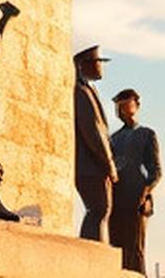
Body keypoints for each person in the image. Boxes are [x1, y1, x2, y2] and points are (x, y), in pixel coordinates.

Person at [107, 88, 162, 273]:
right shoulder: (113, 139)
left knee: (135, 248)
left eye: (126, 102)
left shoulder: (147, 134)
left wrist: (145, 194)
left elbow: (156, 171)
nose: (122, 108)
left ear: (136, 105)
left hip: (137, 199)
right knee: (117, 249)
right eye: (118, 105)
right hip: (116, 199)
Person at [73, 45, 115, 243]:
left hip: (94, 165)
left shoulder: (88, 90)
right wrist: (108, 163)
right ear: (84, 66)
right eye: (99, 62)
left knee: (101, 210)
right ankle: (93, 251)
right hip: (91, 166)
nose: (101, 67)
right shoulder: (81, 92)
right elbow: (93, 132)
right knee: (98, 209)